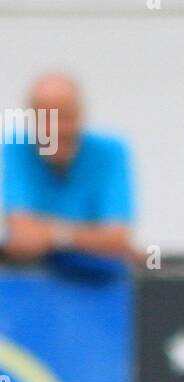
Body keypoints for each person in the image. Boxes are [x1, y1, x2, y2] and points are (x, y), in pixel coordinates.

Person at [1, 72, 137, 273]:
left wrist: (53, 235)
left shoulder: (111, 151)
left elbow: (117, 239)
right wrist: (87, 238)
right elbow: (22, 236)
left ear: (80, 116)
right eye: (45, 118)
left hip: (100, 283)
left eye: (63, 116)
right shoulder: (15, 147)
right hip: (32, 283)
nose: (54, 129)